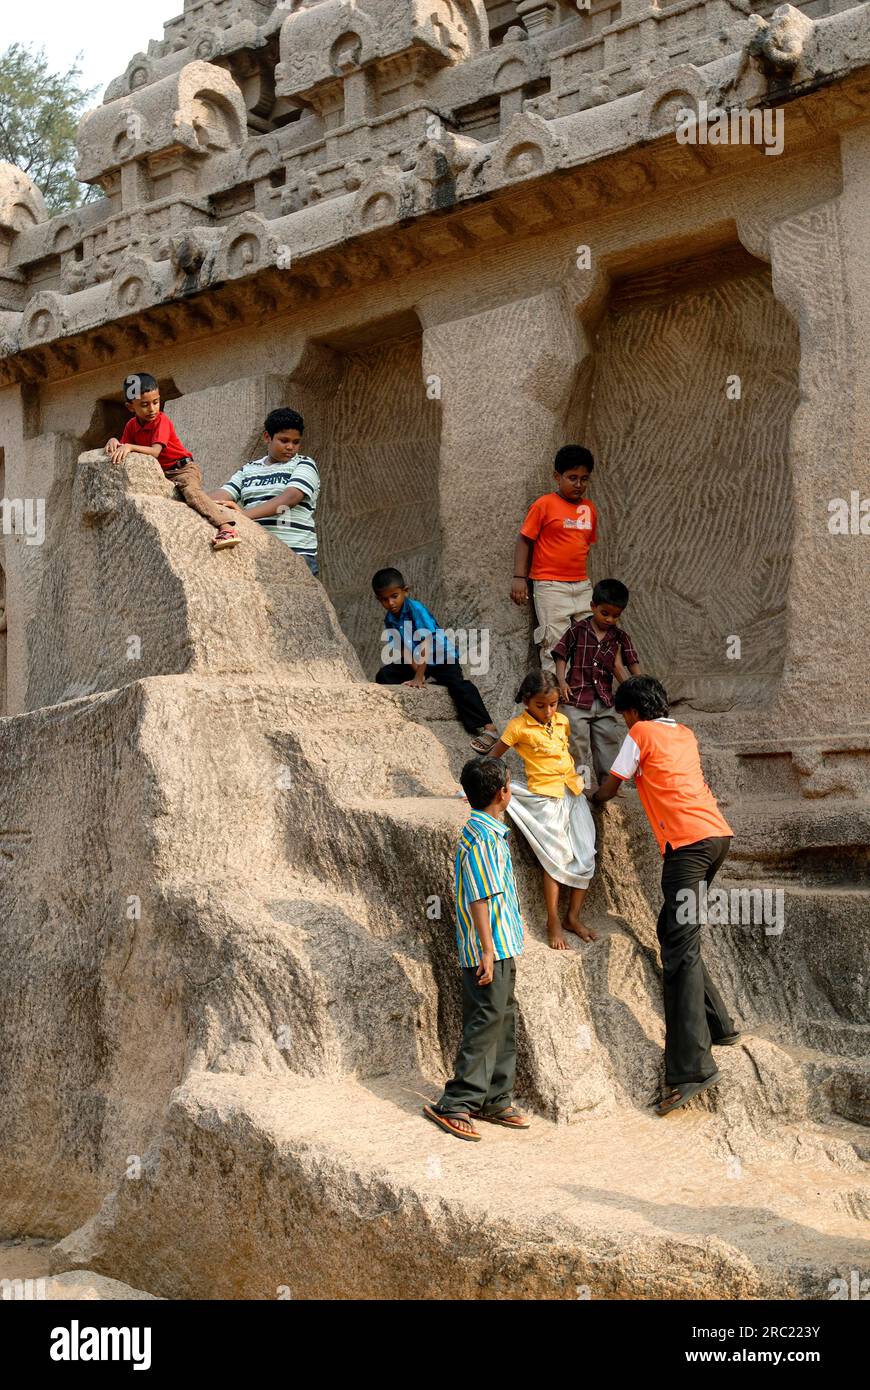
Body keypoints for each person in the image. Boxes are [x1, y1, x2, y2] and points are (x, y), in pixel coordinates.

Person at [591, 676, 740, 1116]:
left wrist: (592, 798)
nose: (625, 722)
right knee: (676, 933)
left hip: (688, 847)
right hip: (716, 837)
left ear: (633, 712)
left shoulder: (640, 732)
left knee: (679, 949)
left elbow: (614, 782)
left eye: (624, 715)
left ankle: (692, 1068)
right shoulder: (683, 732)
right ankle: (720, 1025)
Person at [423, 757, 530, 1141]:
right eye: (510, 783)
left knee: (502, 1017)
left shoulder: (485, 830)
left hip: (501, 944)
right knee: (486, 1022)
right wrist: (487, 949)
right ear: (503, 793)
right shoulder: (484, 838)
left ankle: (495, 1098)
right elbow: (481, 898)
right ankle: (457, 1102)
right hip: (491, 947)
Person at [485, 671, 597, 951]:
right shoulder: (517, 727)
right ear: (526, 701)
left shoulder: (562, 721)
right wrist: (478, 787)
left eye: (554, 704)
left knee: (586, 854)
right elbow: (492, 758)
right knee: (555, 858)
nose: (548, 711)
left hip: (572, 792)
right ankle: (553, 921)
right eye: (540, 705)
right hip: (545, 798)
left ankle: (572, 917)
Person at [105, 372, 239, 550]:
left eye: (156, 402)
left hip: (183, 470)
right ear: (130, 407)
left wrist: (129, 446)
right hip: (164, 475)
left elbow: (154, 451)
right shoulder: (132, 425)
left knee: (191, 492)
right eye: (144, 405)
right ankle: (212, 505)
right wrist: (114, 441)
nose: (152, 409)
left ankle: (226, 527)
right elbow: (123, 446)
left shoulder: (162, 421)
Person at [372, 567, 498, 753]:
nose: (391, 603)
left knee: (458, 686)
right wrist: (417, 673)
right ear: (378, 599)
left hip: (441, 657)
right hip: (418, 660)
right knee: (384, 675)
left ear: (405, 591)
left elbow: (427, 642)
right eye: (384, 599)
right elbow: (402, 648)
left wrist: (419, 676)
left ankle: (489, 729)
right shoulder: (391, 618)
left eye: (395, 596)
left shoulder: (416, 609)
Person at [511, 444, 597, 672]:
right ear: (557, 477)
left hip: (581, 585)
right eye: (572, 478)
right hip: (550, 585)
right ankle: (554, 701)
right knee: (555, 644)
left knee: (590, 640)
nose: (579, 484)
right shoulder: (544, 504)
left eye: (584, 479)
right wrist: (519, 577)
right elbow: (524, 540)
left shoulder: (589, 508)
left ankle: (582, 698)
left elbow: (585, 544)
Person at [552, 578, 642, 787]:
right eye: (605, 613)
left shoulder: (620, 637)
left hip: (605, 702)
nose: (610, 619)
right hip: (576, 699)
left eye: (616, 616)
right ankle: (578, 785)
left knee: (608, 743)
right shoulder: (578, 630)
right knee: (576, 745)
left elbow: (632, 662)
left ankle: (607, 785)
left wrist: (640, 689)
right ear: (593, 606)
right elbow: (561, 654)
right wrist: (561, 681)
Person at [210, 408, 320, 574]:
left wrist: (242, 517)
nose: (290, 447)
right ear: (267, 437)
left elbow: (290, 498)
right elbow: (221, 495)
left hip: (295, 552)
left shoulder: (304, 464)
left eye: (296, 442)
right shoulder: (249, 469)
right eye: (284, 440)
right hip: (257, 549)